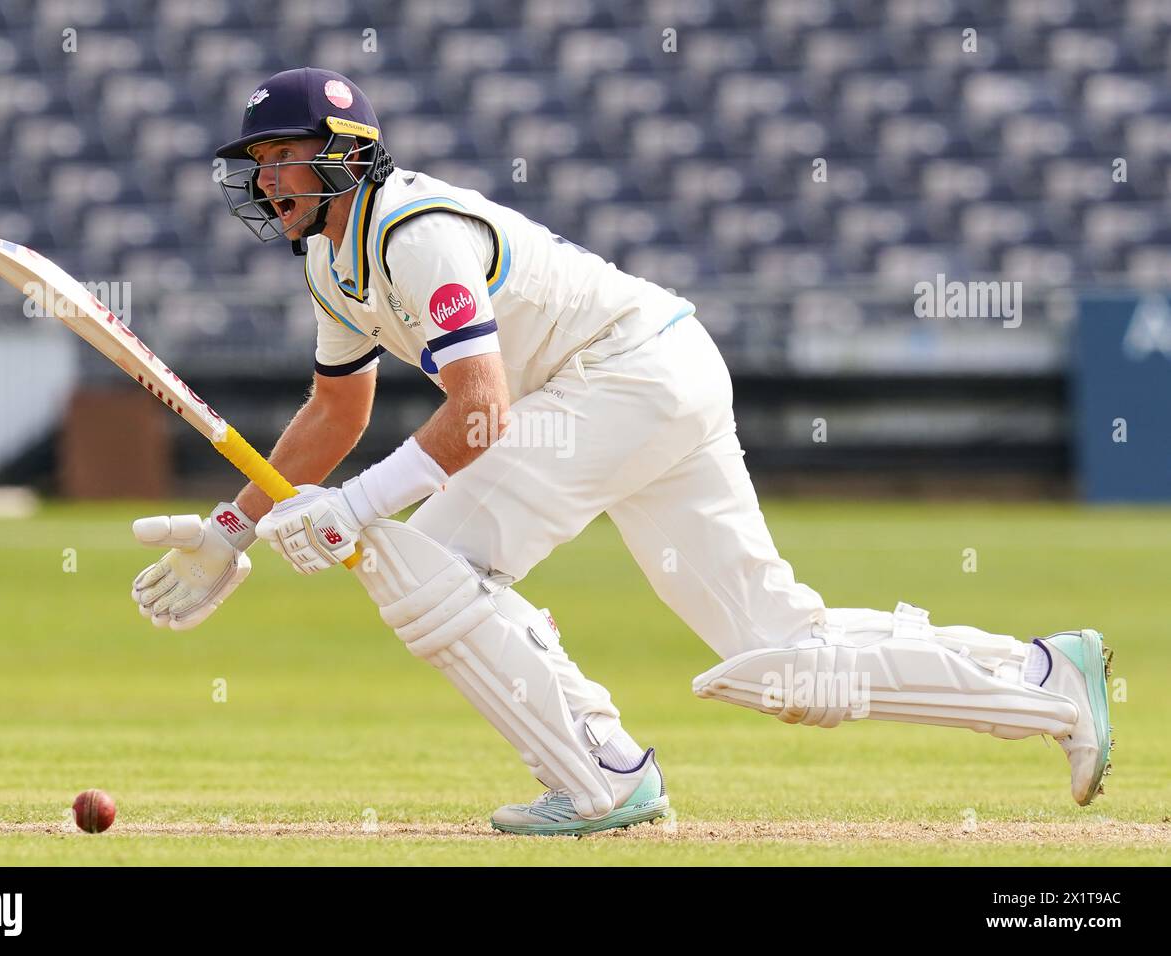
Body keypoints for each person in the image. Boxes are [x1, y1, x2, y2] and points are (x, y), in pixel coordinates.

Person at [129, 68, 1113, 836]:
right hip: (652, 375)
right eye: (254, 161)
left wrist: (356, 508)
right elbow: (336, 413)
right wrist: (234, 526)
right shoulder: (327, 260)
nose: (262, 179)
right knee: (781, 658)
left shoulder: (416, 233)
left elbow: (480, 413)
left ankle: (599, 773)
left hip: (625, 376)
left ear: (345, 156)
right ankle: (1045, 680)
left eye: (280, 156)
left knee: (429, 558)